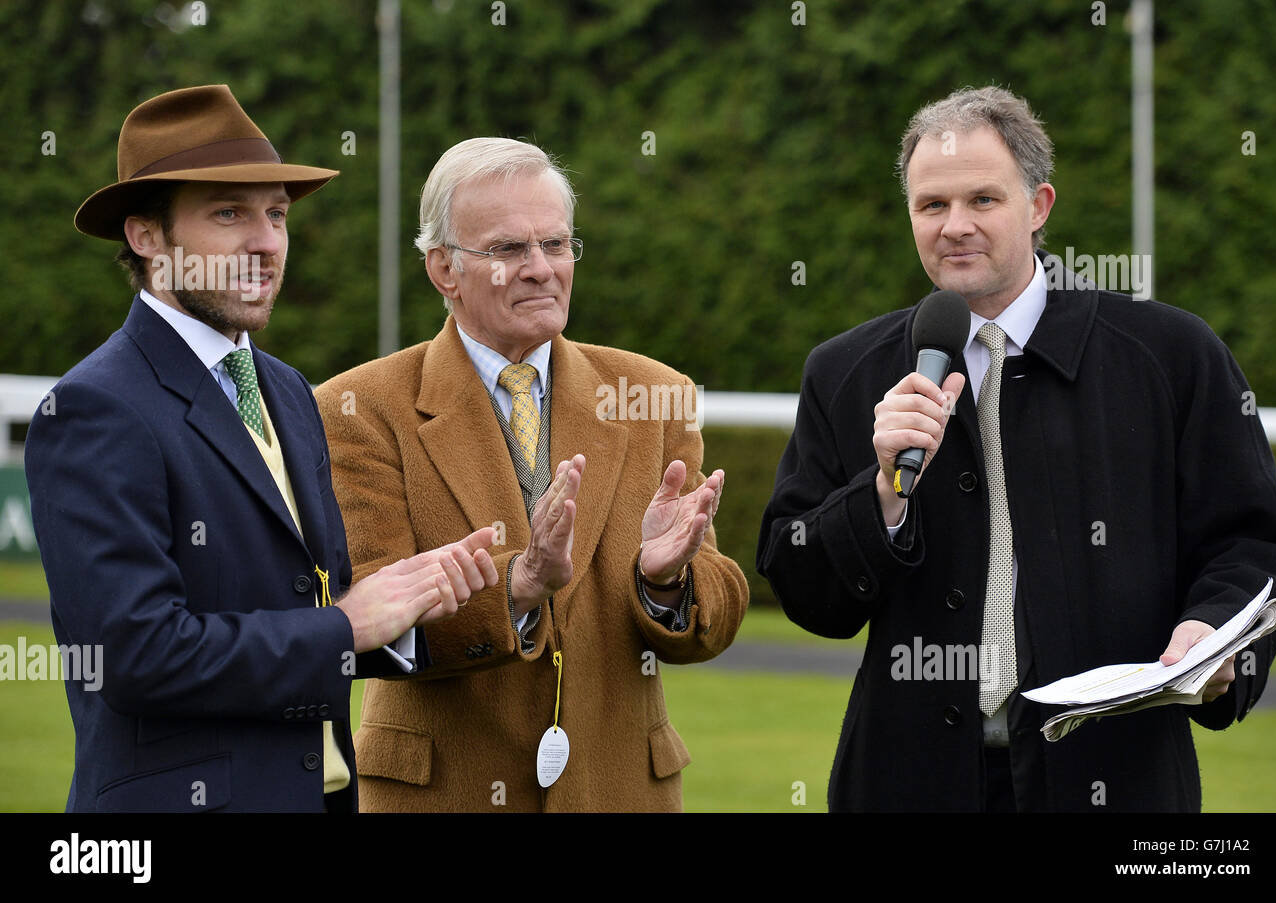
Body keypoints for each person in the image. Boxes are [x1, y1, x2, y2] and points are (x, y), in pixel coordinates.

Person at [756, 85, 1276, 812]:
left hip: (1117, 780)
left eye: (983, 199)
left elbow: (1255, 547)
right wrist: (880, 496)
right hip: (906, 783)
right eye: (932, 205)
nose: (955, 226)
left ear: (1039, 207)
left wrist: (1216, 633)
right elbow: (803, 586)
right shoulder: (846, 370)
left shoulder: (1171, 355)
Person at [25, 85, 497, 813]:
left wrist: (420, 604)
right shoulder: (96, 408)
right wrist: (347, 622)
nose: (266, 240)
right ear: (147, 237)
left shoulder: (286, 390)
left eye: (275, 213)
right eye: (228, 213)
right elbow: (137, 656)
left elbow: (305, 614)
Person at [314, 137, 749, 812]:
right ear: (443, 270)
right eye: (509, 249)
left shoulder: (653, 392)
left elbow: (715, 618)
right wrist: (514, 586)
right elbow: (369, 618)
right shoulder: (359, 408)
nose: (542, 268)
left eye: (557, 244)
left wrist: (664, 580)